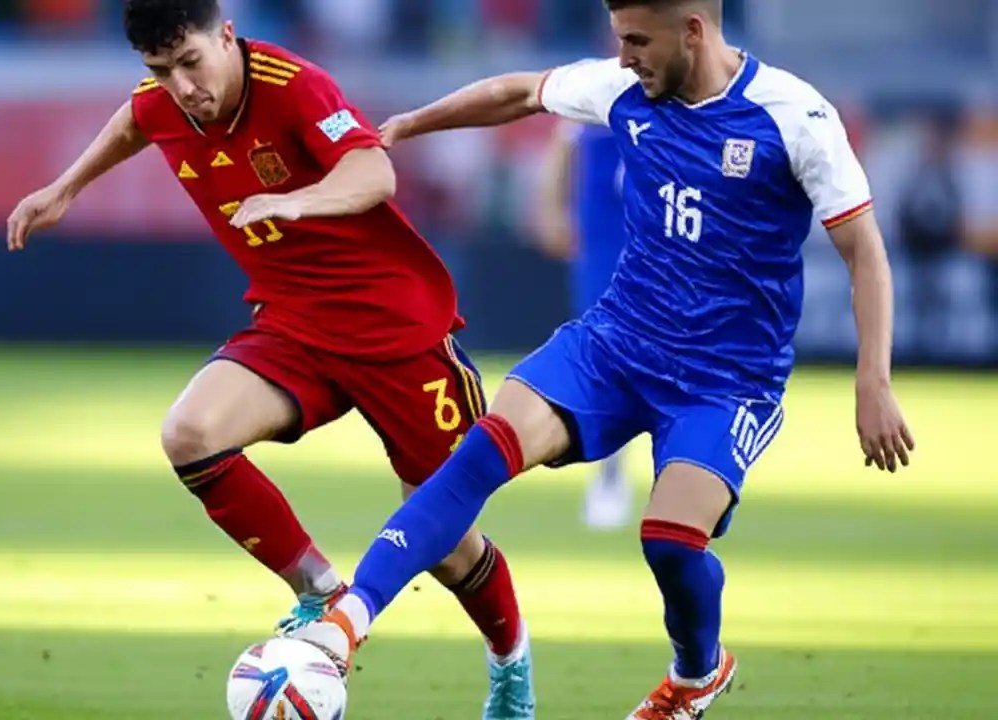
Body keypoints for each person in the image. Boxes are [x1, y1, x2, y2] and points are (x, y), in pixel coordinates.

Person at [290, 1, 915, 718]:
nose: (623, 58)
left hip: (726, 381)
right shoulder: (624, 87)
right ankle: (344, 624)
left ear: (694, 31)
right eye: (619, 40)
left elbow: (864, 249)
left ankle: (694, 673)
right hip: (617, 344)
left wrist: (874, 382)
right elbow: (518, 91)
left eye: (637, 41)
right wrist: (407, 124)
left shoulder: (795, 116)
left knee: (672, 545)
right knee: (476, 453)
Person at [4, 1, 534, 716]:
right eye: (162, 71)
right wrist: (64, 187)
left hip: (395, 330)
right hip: (295, 326)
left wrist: (301, 203)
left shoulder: (291, 84)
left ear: (226, 34)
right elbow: (135, 119)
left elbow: (374, 172)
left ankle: (510, 663)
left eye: (191, 62)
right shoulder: (161, 101)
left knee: (444, 538)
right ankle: (322, 593)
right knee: (189, 433)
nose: (182, 86)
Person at [534, 117, 632, 529]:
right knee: (606, 359)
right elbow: (565, 139)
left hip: (660, 238)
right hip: (603, 242)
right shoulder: (596, 94)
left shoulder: (678, 83)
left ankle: (688, 474)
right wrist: (551, 208)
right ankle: (610, 475)